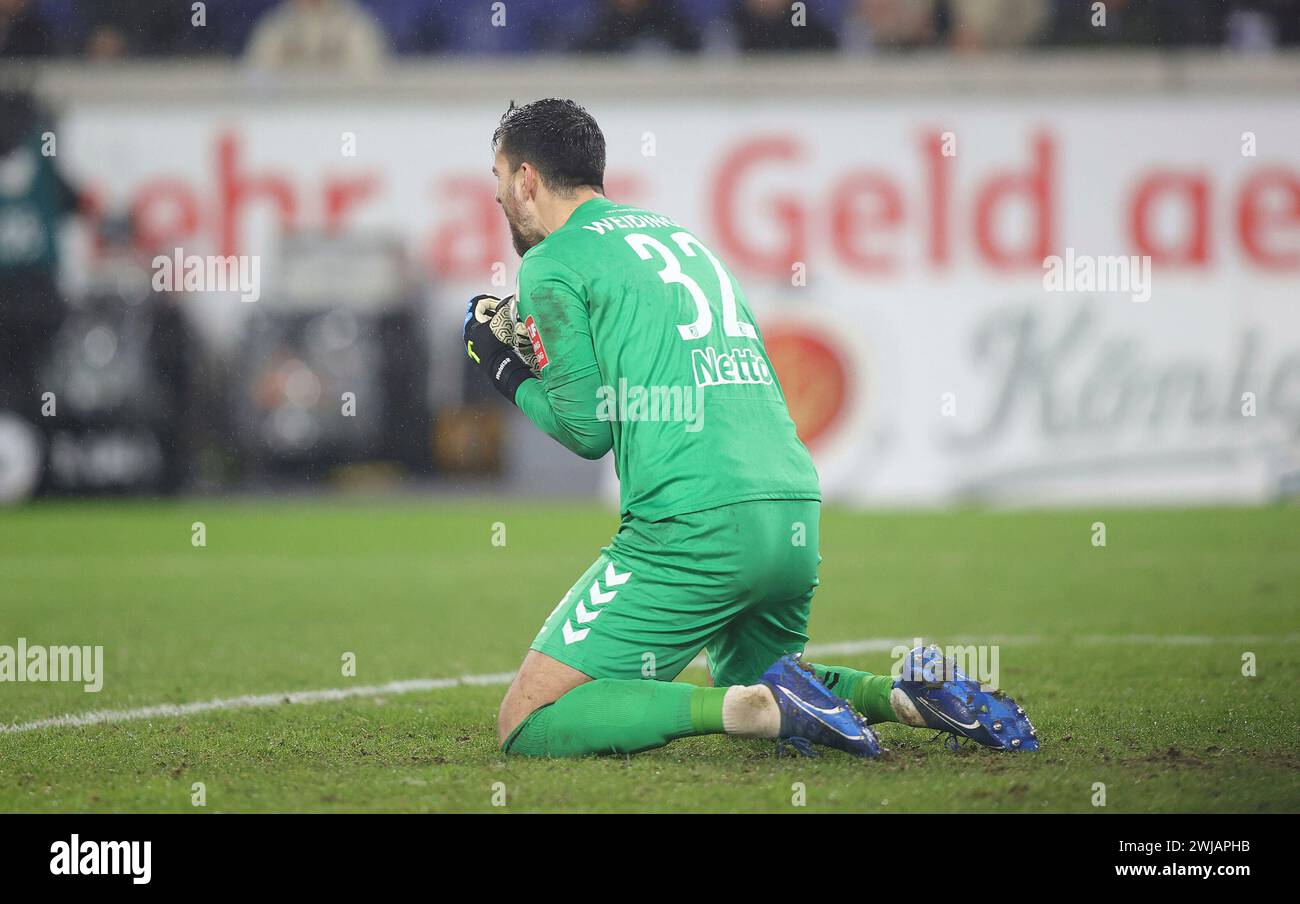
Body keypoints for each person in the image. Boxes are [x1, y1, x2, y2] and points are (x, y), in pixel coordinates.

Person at [462, 98, 1038, 758]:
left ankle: (758, 712)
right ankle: (906, 695)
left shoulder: (551, 262)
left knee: (530, 716)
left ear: (527, 179)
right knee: (756, 673)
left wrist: (502, 367)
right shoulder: (680, 239)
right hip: (791, 511)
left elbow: (587, 431)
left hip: (694, 525)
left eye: (500, 178)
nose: (501, 197)